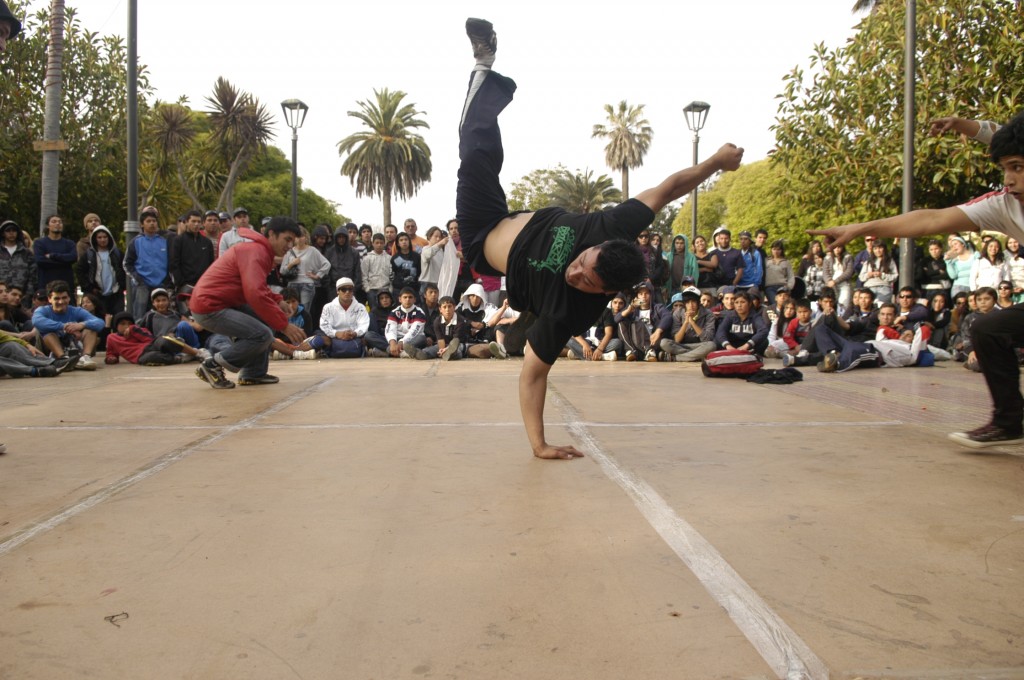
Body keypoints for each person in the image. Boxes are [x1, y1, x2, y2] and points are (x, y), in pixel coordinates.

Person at [455, 18, 742, 458]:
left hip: (479, 237)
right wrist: (715, 164)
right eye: (582, 262)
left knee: (472, 149)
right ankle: (488, 61)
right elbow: (668, 189)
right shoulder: (615, 227)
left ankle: (482, 64)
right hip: (511, 216)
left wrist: (539, 444)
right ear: (600, 246)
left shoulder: (570, 311)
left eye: (585, 279)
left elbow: (533, 375)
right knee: (485, 148)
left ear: (606, 292)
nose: (576, 271)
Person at [808, 110, 1024, 447]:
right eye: (1006, 170)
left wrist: (970, 127)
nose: (1009, 181)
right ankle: (1010, 422)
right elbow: (931, 219)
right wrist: (862, 229)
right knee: (987, 328)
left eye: (1018, 169)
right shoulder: (1003, 205)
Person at [189, 216, 306, 389]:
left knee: (264, 320)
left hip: (222, 303)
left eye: (292, 242)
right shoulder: (256, 252)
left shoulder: (260, 251)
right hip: (210, 307)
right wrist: (284, 326)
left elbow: (256, 287)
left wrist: (277, 300)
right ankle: (212, 365)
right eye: (287, 240)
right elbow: (255, 293)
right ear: (272, 234)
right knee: (262, 335)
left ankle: (253, 373)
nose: (289, 246)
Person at [31, 280, 103, 370]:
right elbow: (36, 321)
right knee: (45, 330)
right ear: (49, 299)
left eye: (64, 298)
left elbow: (100, 323)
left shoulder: (76, 311)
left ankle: (85, 358)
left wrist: (81, 325)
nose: (61, 302)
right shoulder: (43, 310)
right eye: (57, 298)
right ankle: (63, 359)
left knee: (91, 328)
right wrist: (65, 326)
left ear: (69, 298)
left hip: (72, 345)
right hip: (49, 347)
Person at [124, 207, 171, 321]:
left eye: (154, 221)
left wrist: (167, 280)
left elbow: (171, 262)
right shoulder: (135, 242)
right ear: (142, 224)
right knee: (139, 316)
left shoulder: (165, 241)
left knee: (163, 314)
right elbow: (127, 264)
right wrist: (138, 278)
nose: (152, 224)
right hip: (142, 285)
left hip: (161, 284)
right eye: (148, 221)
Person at [76, 224, 126, 317]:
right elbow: (80, 271)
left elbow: (124, 269)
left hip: (115, 294)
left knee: (117, 318)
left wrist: (122, 285)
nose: (102, 240)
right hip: (97, 294)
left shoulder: (117, 253)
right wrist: (90, 287)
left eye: (105, 237)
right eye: (99, 237)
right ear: (95, 239)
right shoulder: (89, 255)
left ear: (109, 238)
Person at [280, 226, 331, 311]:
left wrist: (317, 275)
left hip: (307, 284)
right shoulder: (290, 251)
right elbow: (282, 270)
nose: (299, 239)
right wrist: (292, 263)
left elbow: (327, 264)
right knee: (291, 310)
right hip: (292, 283)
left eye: (301, 236)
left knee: (304, 310)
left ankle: (305, 324)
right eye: (297, 237)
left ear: (306, 237)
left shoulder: (312, 250)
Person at [659, 287, 716, 362]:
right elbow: (677, 340)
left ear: (698, 302)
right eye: (688, 302)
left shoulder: (708, 314)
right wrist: (686, 322)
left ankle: (675, 358)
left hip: (700, 345)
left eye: (694, 302)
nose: (691, 305)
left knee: (711, 346)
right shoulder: (678, 313)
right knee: (664, 343)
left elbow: (707, 339)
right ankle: (697, 356)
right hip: (681, 346)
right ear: (684, 304)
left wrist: (692, 322)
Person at [34, 215, 78, 300]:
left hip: (66, 285)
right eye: (54, 221)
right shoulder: (40, 243)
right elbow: (40, 261)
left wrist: (52, 256)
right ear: (47, 225)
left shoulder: (69, 243)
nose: (57, 224)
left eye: (60, 222)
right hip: (45, 285)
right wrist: (64, 262)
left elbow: (73, 258)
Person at [169, 209, 215, 290]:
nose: (196, 224)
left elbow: (211, 264)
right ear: (186, 222)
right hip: (185, 286)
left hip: (204, 285)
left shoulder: (207, 242)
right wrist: (181, 283)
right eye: (193, 221)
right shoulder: (178, 241)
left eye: (198, 222)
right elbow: (174, 264)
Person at [0, 220, 37, 302]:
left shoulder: (26, 253)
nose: (11, 233)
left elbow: (33, 275)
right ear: (3, 233)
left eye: (14, 230)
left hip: (21, 296)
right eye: (8, 231)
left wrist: (29, 293)